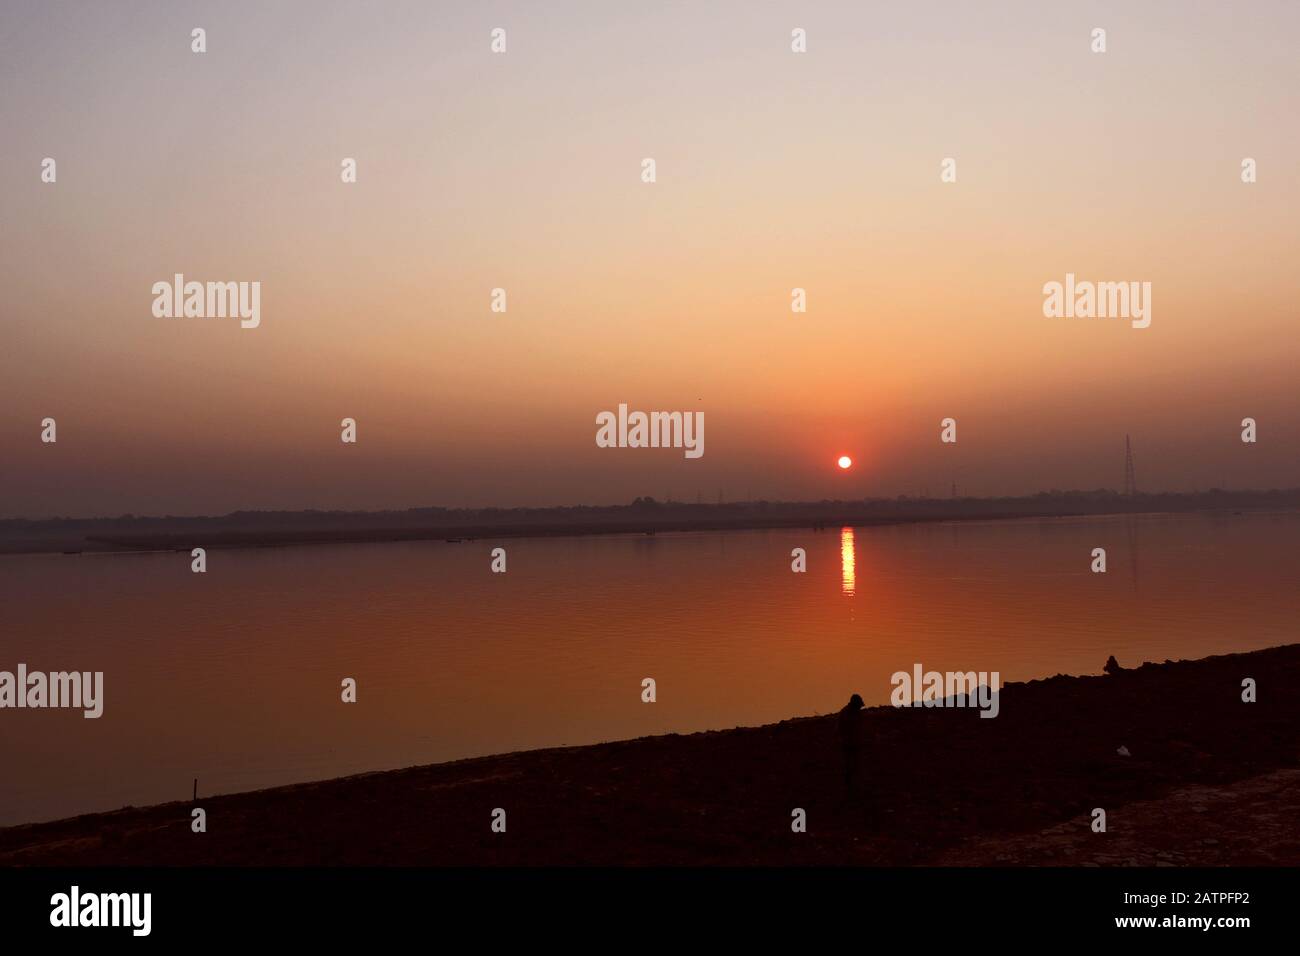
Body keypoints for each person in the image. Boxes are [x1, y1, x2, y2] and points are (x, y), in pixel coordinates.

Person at [837, 693, 865, 795]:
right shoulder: (846, 714)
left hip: (854, 744)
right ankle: (850, 789)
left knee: (855, 768)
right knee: (850, 767)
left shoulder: (854, 713)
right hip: (849, 745)